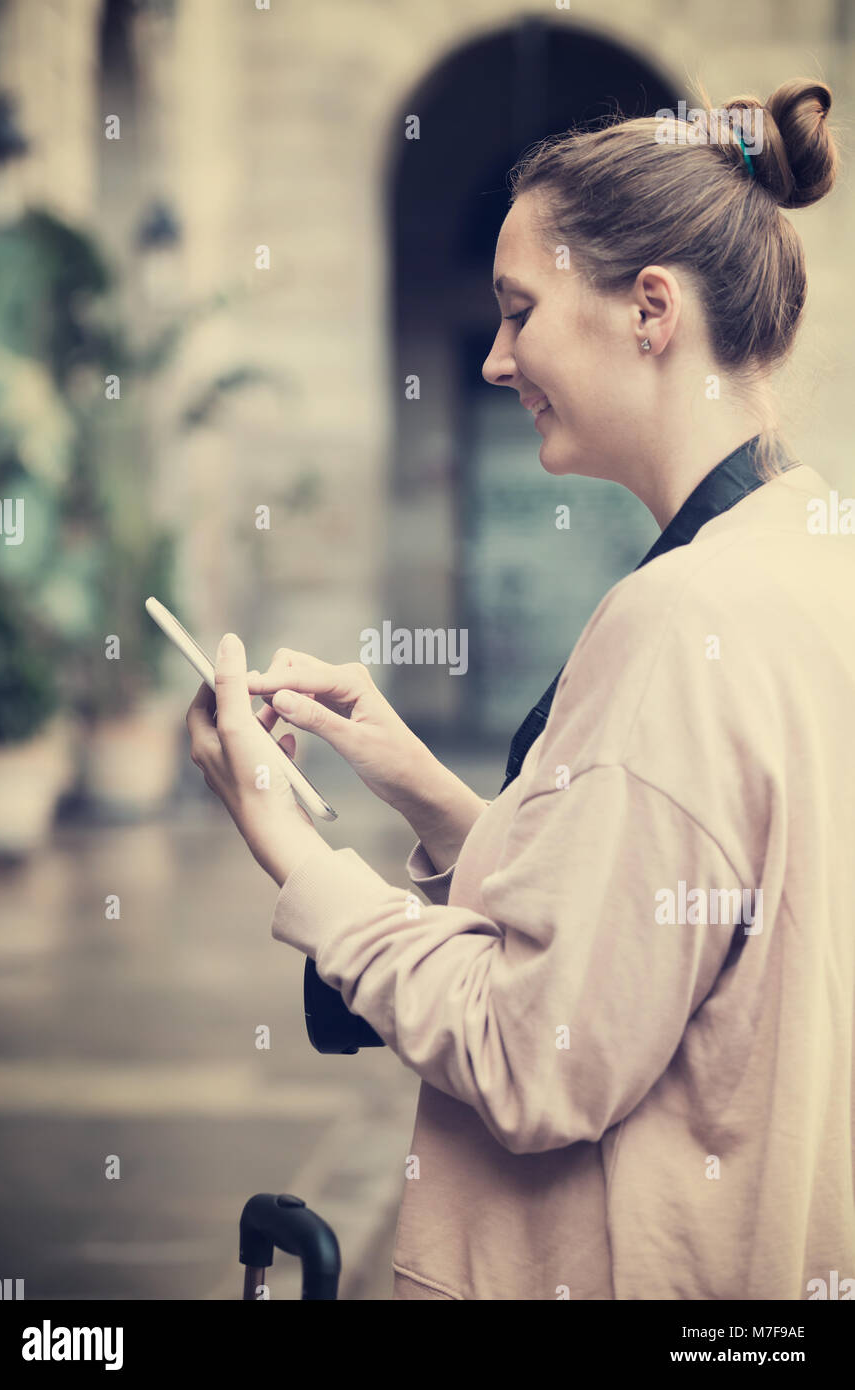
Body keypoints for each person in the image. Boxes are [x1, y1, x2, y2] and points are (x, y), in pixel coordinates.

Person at [186, 77, 855, 1300]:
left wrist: (290, 845)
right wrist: (426, 792)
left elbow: (534, 1054)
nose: (495, 359)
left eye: (518, 312)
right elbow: (660, 926)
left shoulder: (685, 616)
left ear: (650, 308)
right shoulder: (813, 550)